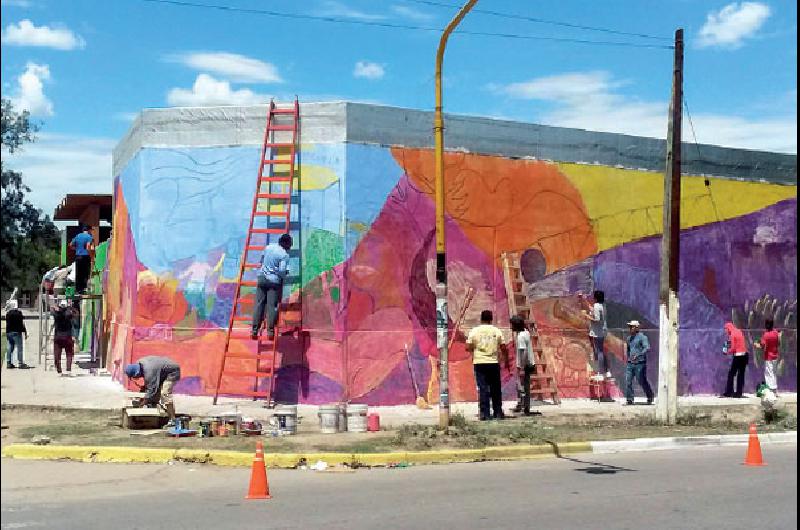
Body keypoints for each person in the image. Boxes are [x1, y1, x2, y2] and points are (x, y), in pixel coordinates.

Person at [466, 310, 509, 421]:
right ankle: (498, 412)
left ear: (481, 319)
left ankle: (485, 413)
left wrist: (475, 349)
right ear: (491, 319)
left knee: (483, 388)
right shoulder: (496, 331)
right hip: (493, 362)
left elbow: (468, 347)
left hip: (479, 363)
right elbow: (503, 348)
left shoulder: (474, 331)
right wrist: (506, 360)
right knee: (495, 388)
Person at [251, 233, 292, 340]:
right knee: (271, 306)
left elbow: (261, 260)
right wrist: (285, 274)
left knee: (259, 304)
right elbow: (282, 271)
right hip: (273, 282)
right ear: (287, 245)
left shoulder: (268, 247)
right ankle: (270, 332)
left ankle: (254, 330)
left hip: (262, 278)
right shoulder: (284, 255)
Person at [124, 356, 181, 426]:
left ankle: (172, 419)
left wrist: (143, 402)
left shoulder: (149, 371)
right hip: (161, 371)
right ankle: (155, 411)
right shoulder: (140, 364)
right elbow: (149, 385)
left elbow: (151, 390)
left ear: (136, 373)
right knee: (153, 390)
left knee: (165, 394)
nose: (136, 378)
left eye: (135, 377)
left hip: (172, 372)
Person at [510, 315, 539, 416]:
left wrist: (521, 367)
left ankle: (524, 408)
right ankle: (525, 407)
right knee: (525, 387)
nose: (511, 327)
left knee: (522, 387)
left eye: (512, 325)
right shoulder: (526, 333)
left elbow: (523, 352)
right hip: (530, 363)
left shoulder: (521, 337)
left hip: (525, 364)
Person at [579, 290, 610, 379]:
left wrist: (586, 316)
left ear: (595, 298)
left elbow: (597, 319)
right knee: (601, 351)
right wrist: (584, 300)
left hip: (597, 332)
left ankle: (600, 373)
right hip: (602, 331)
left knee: (599, 352)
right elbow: (592, 309)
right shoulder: (602, 305)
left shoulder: (597, 306)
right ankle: (606, 371)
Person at [623, 320, 654, 405]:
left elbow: (647, 348)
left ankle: (650, 396)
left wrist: (638, 355)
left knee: (641, 381)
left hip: (640, 363)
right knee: (628, 381)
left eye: (632, 327)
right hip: (630, 363)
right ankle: (629, 399)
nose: (630, 328)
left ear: (637, 328)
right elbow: (628, 349)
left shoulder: (642, 337)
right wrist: (628, 358)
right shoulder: (629, 338)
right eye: (629, 327)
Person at [51, 299, 77, 376]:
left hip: (58, 337)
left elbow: (52, 310)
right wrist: (70, 307)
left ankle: (59, 370)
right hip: (67, 336)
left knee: (57, 354)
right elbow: (76, 313)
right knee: (69, 353)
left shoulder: (56, 314)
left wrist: (56, 307)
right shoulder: (69, 314)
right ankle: (68, 369)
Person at [754, 319, 780, 395]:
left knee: (768, 373)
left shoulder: (766, 335)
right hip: (775, 356)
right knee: (774, 373)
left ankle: (771, 391)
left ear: (766, 325)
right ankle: (774, 390)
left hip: (768, 357)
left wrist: (756, 344)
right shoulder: (776, 333)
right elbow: (778, 343)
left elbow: (762, 346)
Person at [722, 322, 748, 398]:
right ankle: (739, 393)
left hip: (738, 356)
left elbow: (733, 348)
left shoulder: (733, 334)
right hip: (745, 355)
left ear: (728, 328)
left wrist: (727, 352)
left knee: (731, 374)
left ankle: (729, 392)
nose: (725, 331)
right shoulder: (739, 331)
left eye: (725, 329)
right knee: (741, 375)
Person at [5, 300, 30, 369]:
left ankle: (8, 362)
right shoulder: (19, 313)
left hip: (9, 332)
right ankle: (20, 363)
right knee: (19, 348)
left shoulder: (8, 314)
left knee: (9, 347)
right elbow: (22, 324)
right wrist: (25, 332)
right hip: (17, 332)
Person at [69, 225, 94, 294]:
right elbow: (88, 246)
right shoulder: (89, 237)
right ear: (88, 230)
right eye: (91, 230)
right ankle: (83, 289)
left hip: (78, 256)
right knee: (85, 273)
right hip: (85, 256)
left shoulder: (78, 236)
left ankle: (78, 290)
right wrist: (91, 255)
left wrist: (76, 249)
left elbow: (71, 245)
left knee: (78, 273)